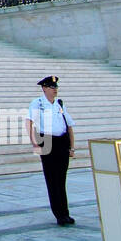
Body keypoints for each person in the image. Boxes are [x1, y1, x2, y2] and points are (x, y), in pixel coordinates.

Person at [25, 75, 75, 225]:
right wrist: (34, 144)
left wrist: (72, 147)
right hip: (46, 142)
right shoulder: (37, 103)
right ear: (45, 88)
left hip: (62, 142)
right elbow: (29, 122)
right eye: (53, 88)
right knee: (52, 179)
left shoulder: (59, 104)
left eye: (56, 87)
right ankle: (59, 214)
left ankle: (65, 213)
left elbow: (69, 125)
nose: (55, 90)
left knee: (61, 179)